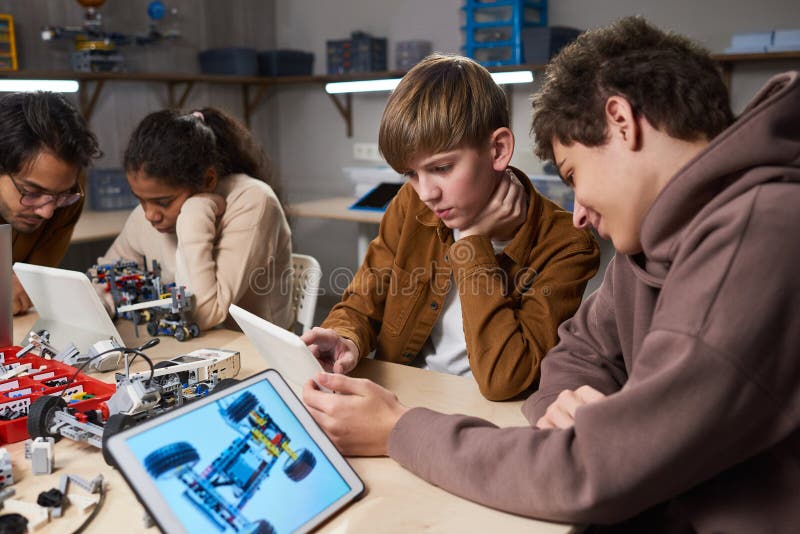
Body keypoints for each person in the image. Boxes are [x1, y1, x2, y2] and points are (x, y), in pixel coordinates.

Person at [302, 17, 800, 532]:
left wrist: (399, 430)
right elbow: (577, 353)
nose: (579, 211)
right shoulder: (655, 236)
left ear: (621, 122)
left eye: (573, 175)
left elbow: (587, 471)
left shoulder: (760, 237)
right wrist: (566, 405)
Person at [302, 54, 600, 401]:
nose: (426, 193)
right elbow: (363, 300)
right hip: (403, 395)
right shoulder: (411, 203)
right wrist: (345, 337)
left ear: (498, 150)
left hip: (484, 413)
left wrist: (473, 242)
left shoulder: (568, 244)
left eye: (442, 168)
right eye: (411, 174)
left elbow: (505, 379)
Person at [101, 108, 293, 331]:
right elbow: (104, 278)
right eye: (140, 200)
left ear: (208, 180)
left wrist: (194, 212)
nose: (149, 215)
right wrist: (101, 302)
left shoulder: (254, 201)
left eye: (164, 202)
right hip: (191, 344)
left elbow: (203, 313)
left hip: (253, 348)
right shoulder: (151, 211)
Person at [0, 91, 100, 315]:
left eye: (60, 195)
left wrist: (22, 287)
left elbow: (31, 283)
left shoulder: (69, 195)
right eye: (32, 192)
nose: (47, 213)